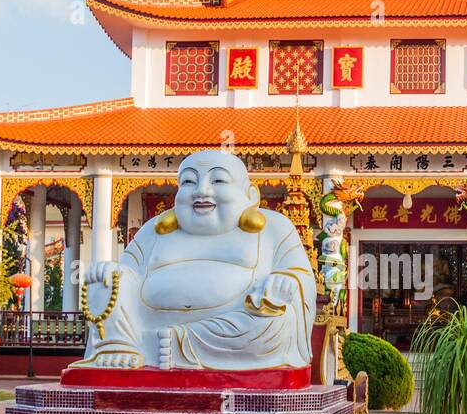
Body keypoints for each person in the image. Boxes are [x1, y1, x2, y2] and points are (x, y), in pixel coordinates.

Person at [73, 149, 314, 371]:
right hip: (148, 321)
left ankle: (168, 343)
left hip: (234, 330)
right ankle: (118, 345)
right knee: (106, 279)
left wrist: (285, 280)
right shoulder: (153, 231)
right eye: (189, 181)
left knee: (276, 325)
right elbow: (129, 271)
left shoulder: (274, 227)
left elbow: (299, 274)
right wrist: (110, 273)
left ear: (250, 195)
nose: (201, 191)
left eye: (218, 180)